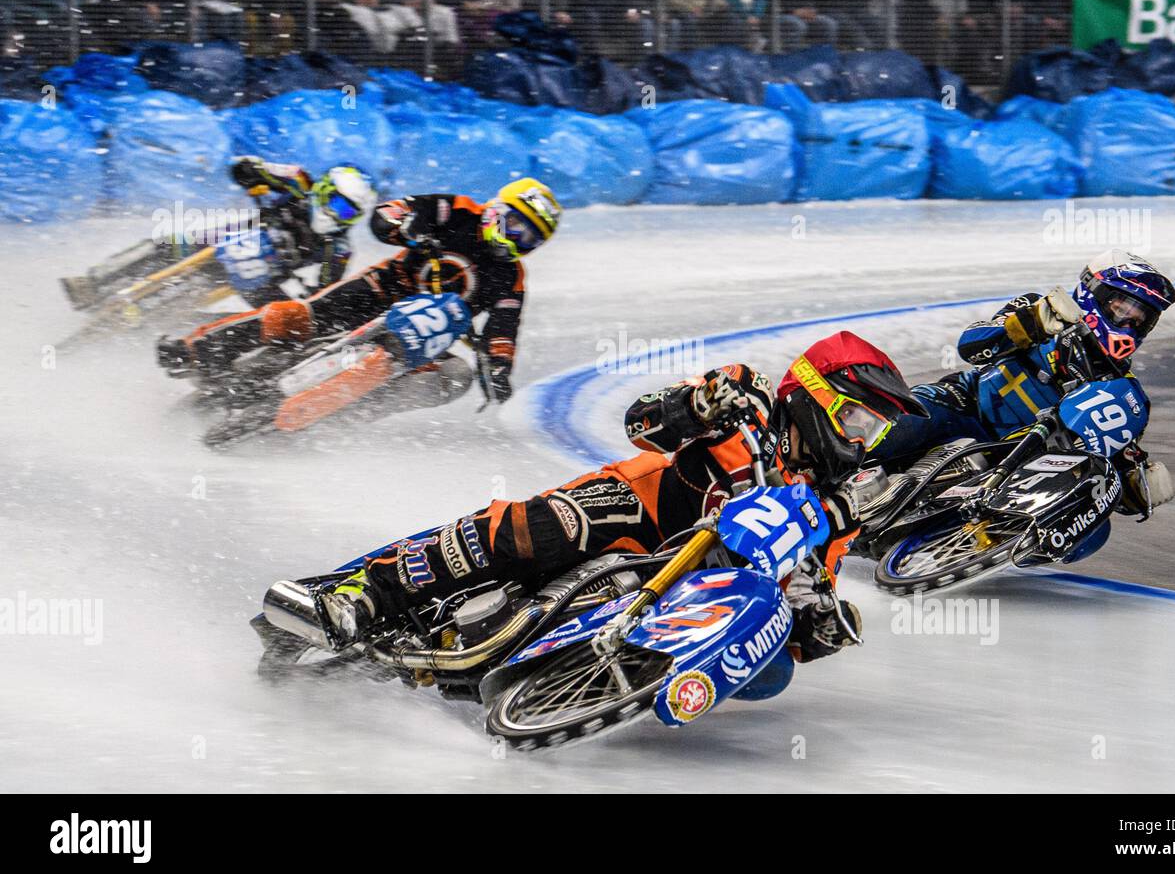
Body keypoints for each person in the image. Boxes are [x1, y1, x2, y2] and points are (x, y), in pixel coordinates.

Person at [316, 331, 931, 694]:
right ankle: (375, 588)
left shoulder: (834, 507)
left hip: (691, 587)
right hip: (637, 511)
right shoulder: (754, 399)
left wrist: (815, 618)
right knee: (552, 527)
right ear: (816, 396)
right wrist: (702, 401)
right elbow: (643, 423)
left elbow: (805, 602)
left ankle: (589, 684)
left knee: (771, 674)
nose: (861, 442)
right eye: (857, 420)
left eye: (874, 431)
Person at [864, 250, 1175, 560]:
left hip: (1016, 465)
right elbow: (971, 345)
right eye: (1122, 308)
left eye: (1140, 319)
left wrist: (1134, 486)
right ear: (1093, 293)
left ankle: (971, 548)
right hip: (966, 405)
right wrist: (1030, 325)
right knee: (905, 423)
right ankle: (832, 470)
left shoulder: (1122, 390)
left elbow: (1103, 465)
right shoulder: (1040, 310)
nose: (1129, 323)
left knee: (1094, 531)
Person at [157, 179, 560, 409]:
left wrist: (500, 371)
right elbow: (389, 213)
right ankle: (196, 349)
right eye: (514, 225)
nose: (516, 240)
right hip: (379, 291)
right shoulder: (454, 210)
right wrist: (405, 228)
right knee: (297, 316)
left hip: (423, 334)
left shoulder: (512, 278)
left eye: (528, 239)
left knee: (454, 379)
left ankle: (350, 414)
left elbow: (504, 329)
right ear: (495, 210)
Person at [62, 157, 375, 312]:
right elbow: (247, 166)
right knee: (167, 245)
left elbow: (327, 289)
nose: (336, 215)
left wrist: (311, 297)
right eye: (336, 204)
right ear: (324, 190)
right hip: (238, 236)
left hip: (265, 278)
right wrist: (251, 173)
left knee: (280, 320)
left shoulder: (340, 248)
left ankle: (175, 342)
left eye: (347, 212)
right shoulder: (299, 180)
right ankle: (94, 282)